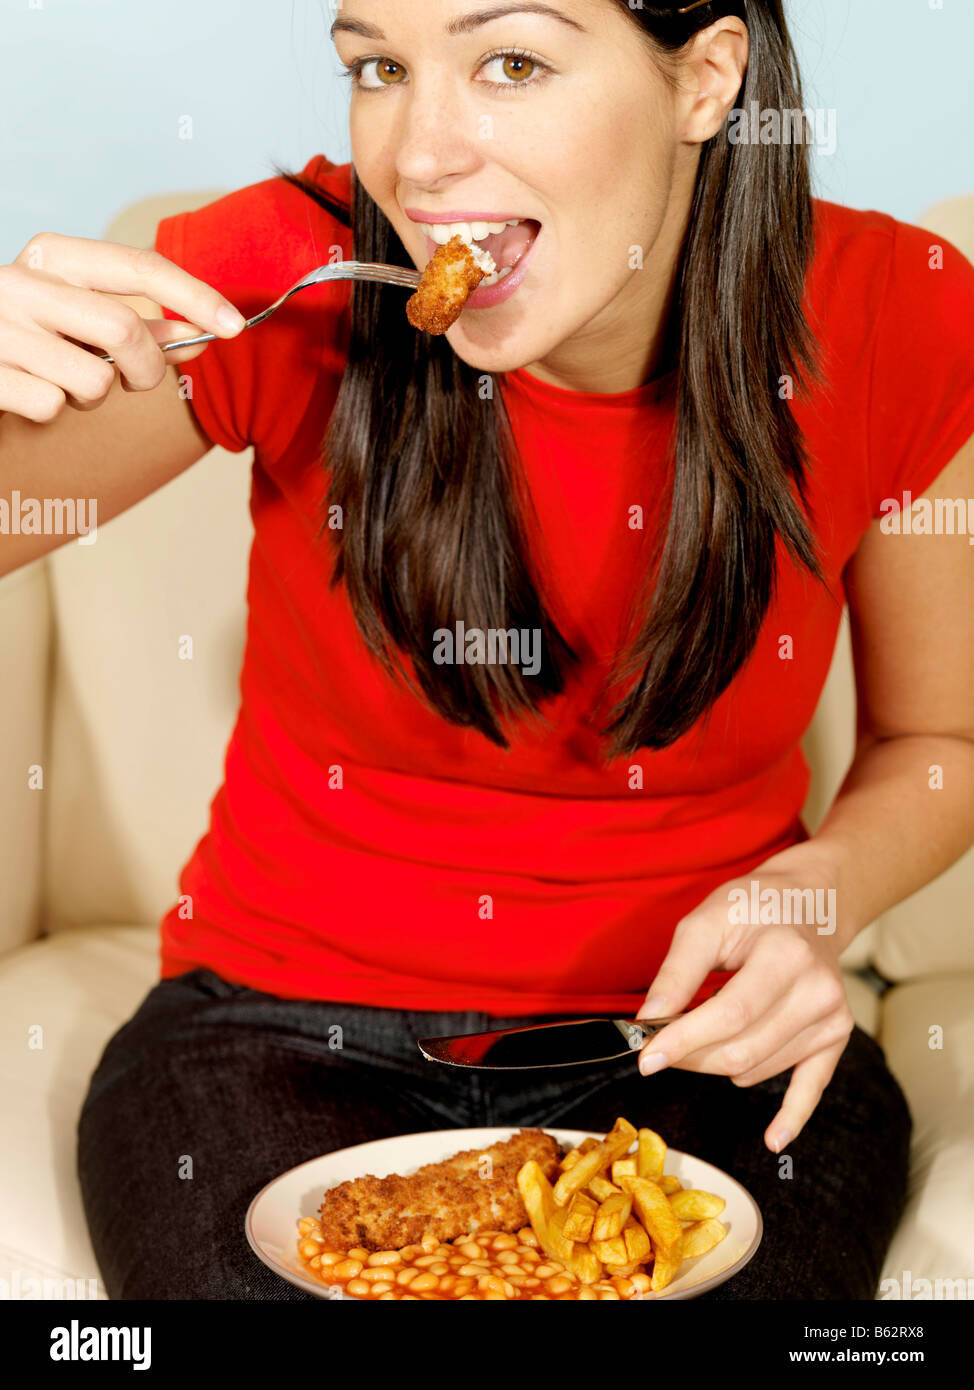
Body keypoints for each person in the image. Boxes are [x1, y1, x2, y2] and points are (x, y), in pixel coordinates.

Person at [2, 0, 972, 1300]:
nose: (418, 155)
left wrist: (816, 900)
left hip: (689, 1041)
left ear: (706, 78)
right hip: (274, 1032)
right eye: (378, 68)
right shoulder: (288, 267)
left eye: (510, 61)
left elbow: (937, 740)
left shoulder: (894, 311)